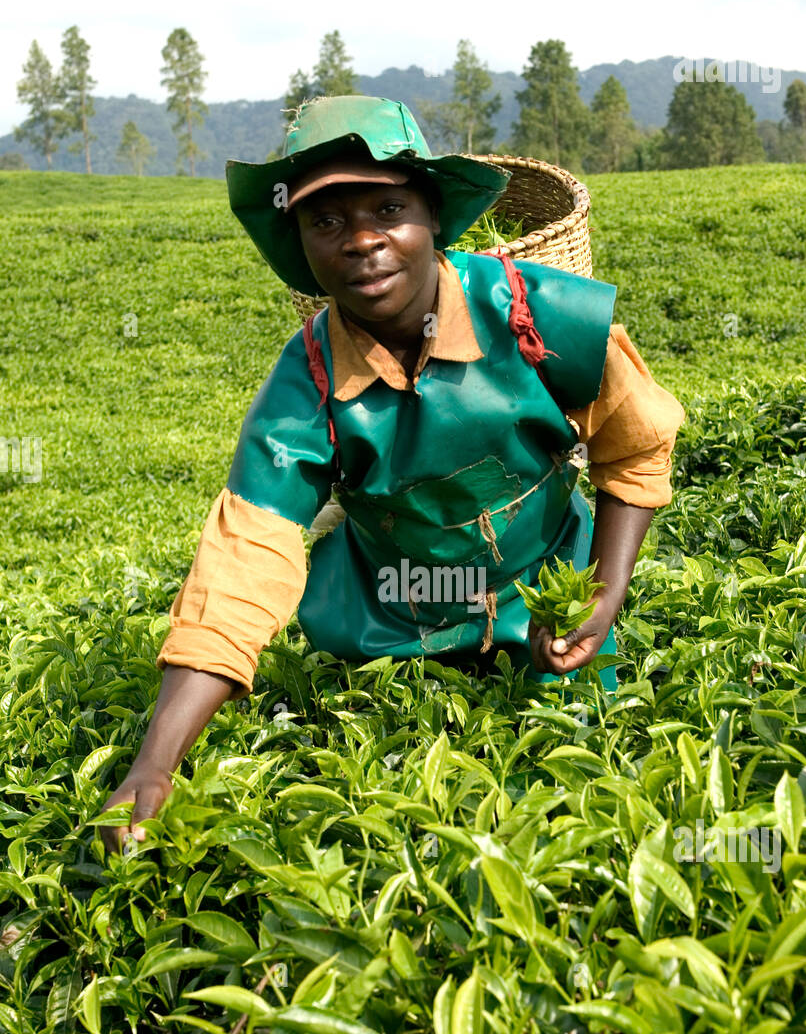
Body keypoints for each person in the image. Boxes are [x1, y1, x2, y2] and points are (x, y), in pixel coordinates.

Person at [100, 95, 684, 855]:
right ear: (302, 244)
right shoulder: (304, 384)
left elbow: (634, 447)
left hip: (547, 582)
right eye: (327, 222)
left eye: (389, 208)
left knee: (577, 770)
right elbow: (243, 557)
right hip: (391, 610)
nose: (363, 241)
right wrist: (155, 762)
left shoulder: (539, 315)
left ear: (434, 215)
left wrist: (598, 598)